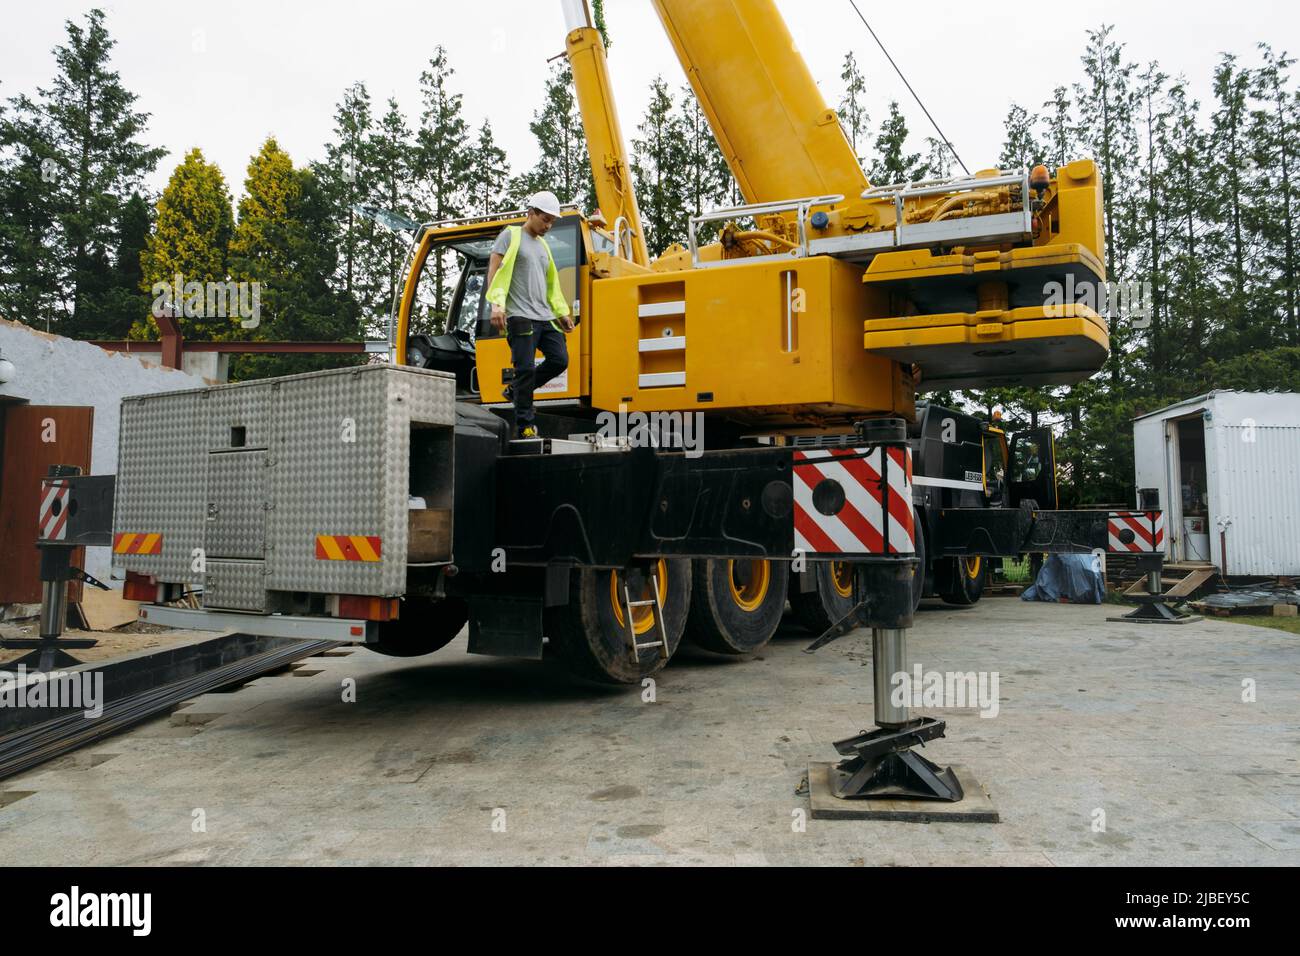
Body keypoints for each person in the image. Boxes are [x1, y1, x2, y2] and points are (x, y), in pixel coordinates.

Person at [484, 190, 574, 439]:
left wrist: (561, 312)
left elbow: (551, 283)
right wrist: (496, 305)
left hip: (545, 317)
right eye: (545, 219)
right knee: (525, 369)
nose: (548, 225)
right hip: (520, 315)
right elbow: (494, 271)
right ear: (531, 213)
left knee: (560, 360)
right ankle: (525, 425)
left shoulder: (544, 246)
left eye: (552, 222)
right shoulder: (510, 236)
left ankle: (516, 390)